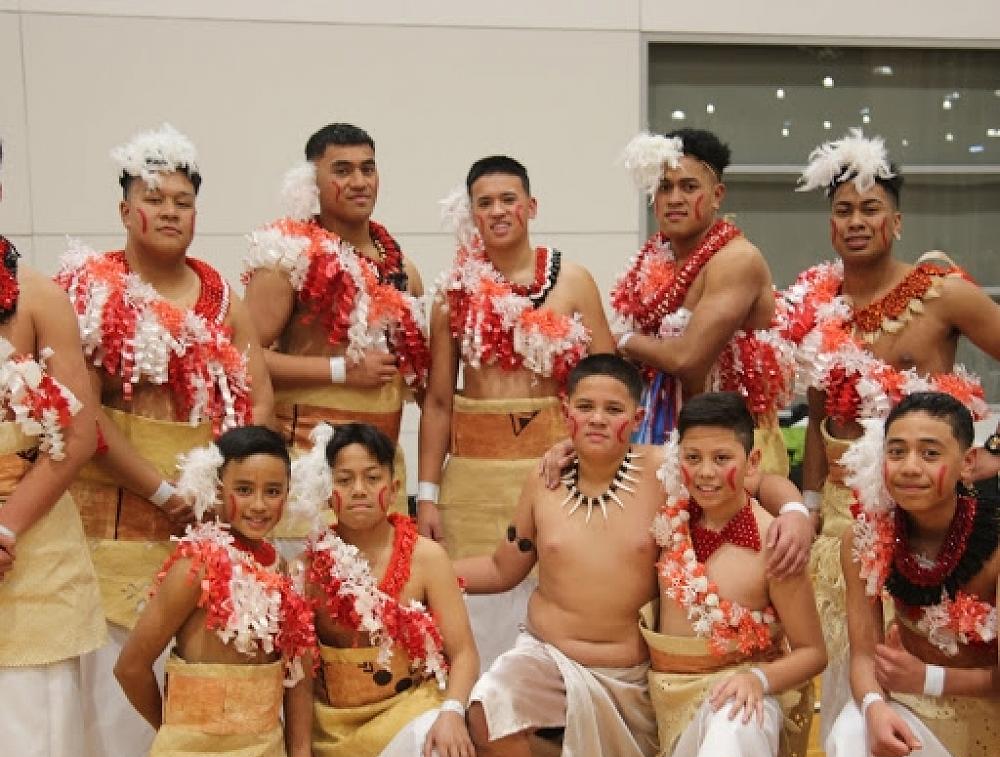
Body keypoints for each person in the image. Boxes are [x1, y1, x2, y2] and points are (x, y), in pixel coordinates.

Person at [55, 123, 271, 757]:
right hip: (118, 502)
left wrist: (236, 482)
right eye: (155, 199)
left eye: (184, 200)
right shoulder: (87, 286)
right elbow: (84, 410)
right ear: (125, 210)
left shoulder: (222, 295)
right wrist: (160, 488)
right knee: (117, 666)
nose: (171, 211)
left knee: (195, 663)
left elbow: (258, 395)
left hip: (210, 504)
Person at [775, 129, 1000, 744]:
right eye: (842, 210)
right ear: (830, 226)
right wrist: (814, 502)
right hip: (843, 507)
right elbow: (821, 409)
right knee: (838, 646)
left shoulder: (942, 294)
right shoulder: (820, 304)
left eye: (870, 209)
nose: (855, 221)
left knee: (913, 644)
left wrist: (994, 457)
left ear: (895, 221)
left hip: (921, 508)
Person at [113, 426, 337, 757]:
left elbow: (296, 675)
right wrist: (176, 731)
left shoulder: (285, 569)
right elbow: (130, 667)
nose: (259, 505)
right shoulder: (196, 564)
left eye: (273, 491)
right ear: (219, 489)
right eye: (244, 489)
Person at [458, 354, 660, 757]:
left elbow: (753, 478)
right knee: (492, 701)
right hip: (547, 654)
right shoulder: (543, 479)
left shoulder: (666, 473)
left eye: (614, 409)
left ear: (637, 416)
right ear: (563, 411)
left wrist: (793, 507)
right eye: (586, 407)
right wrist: (423, 571)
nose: (598, 419)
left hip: (626, 677)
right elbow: (505, 567)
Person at [814, 393, 1000, 757]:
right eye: (897, 451)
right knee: (849, 730)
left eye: (929, 451)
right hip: (912, 711)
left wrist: (933, 678)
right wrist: (871, 705)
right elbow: (865, 653)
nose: (911, 467)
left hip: (986, 713)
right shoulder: (866, 538)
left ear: (968, 463)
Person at [418, 155, 615, 668]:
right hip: (473, 482)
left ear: (531, 206)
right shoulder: (451, 295)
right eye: (486, 203)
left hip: (558, 470)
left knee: (559, 598)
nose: (499, 211)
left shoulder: (573, 281)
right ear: (472, 214)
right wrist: (428, 496)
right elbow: (438, 402)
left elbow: (609, 381)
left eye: (509, 199)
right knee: (474, 610)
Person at [290, 421, 483, 757]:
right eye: (345, 478)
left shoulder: (426, 557)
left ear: (392, 486)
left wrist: (451, 711)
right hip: (341, 733)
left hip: (410, 707)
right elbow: (300, 677)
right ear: (327, 488)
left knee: (436, 742)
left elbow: (464, 652)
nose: (357, 490)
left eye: (370, 477)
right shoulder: (309, 563)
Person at [641, 392, 825, 757]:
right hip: (674, 700)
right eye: (693, 458)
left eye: (722, 458)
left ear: (752, 464)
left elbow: (814, 652)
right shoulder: (669, 516)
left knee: (732, 723)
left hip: (745, 692)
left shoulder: (776, 544)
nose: (704, 472)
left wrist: (758, 677)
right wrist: (558, 454)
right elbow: (607, 441)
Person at [0, 140, 110, 757]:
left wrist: (7, 523)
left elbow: (76, 431)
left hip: (25, 532)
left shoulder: (35, 297)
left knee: (34, 731)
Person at [243, 122, 427, 528]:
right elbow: (242, 359)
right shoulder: (286, 257)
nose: (359, 181)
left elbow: (418, 377)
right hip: (306, 468)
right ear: (312, 182)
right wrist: (342, 370)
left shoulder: (403, 269)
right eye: (342, 170)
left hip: (381, 471)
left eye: (368, 168)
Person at [611, 129, 794, 474]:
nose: (675, 198)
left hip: (733, 447)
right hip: (660, 436)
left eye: (689, 187)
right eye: (665, 187)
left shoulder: (736, 259)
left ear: (717, 195)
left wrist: (622, 340)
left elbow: (688, 359)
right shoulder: (652, 259)